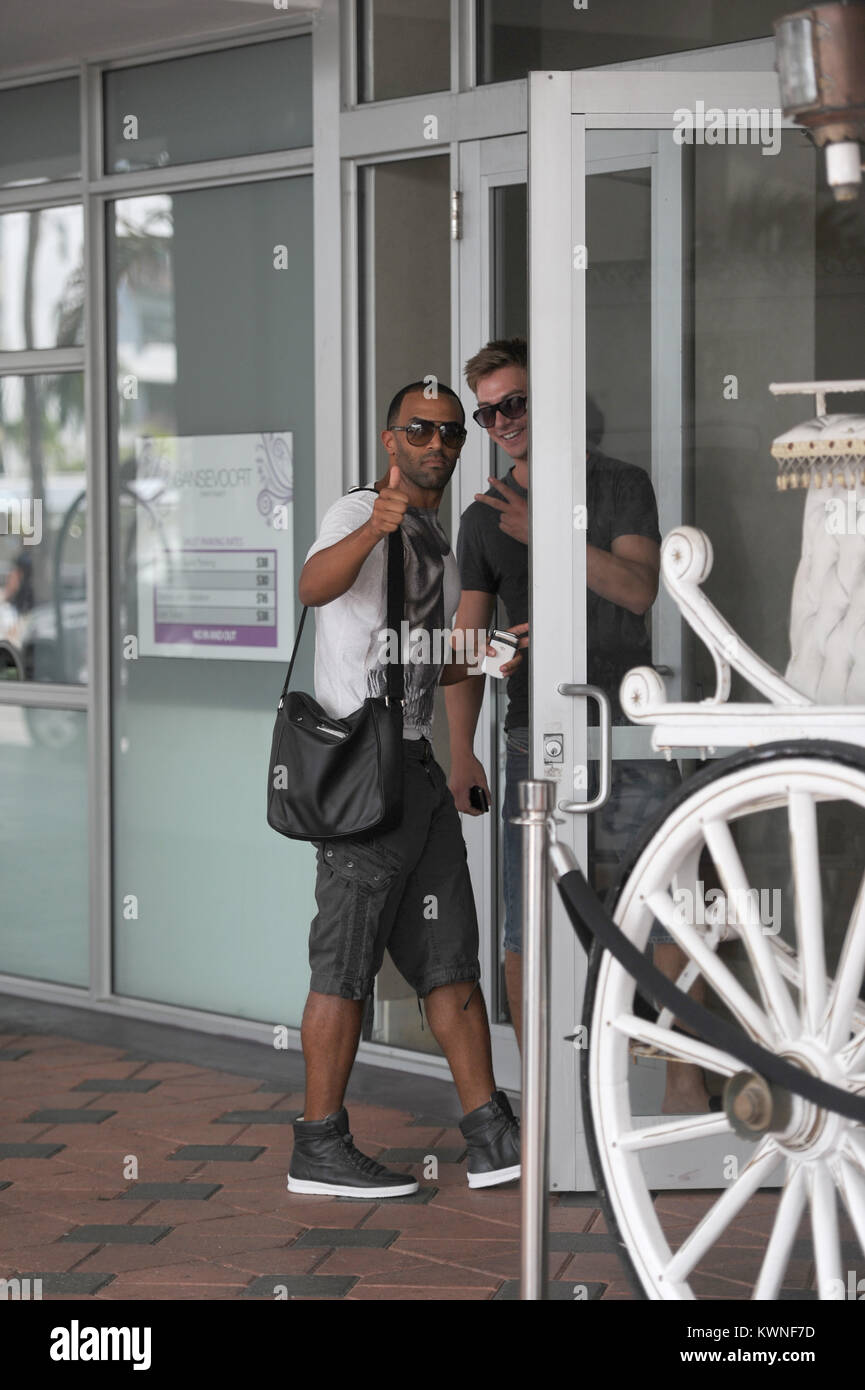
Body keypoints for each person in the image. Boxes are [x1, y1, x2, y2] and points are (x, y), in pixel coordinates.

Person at [446, 339, 706, 1113]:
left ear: (548, 398)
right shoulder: (483, 517)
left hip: (625, 726)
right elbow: (465, 649)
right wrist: (461, 746)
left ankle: (679, 1078)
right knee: (528, 927)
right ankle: (552, 1106)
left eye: (514, 403)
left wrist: (550, 535)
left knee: (665, 904)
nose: (502, 422)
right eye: (487, 412)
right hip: (536, 737)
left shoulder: (618, 485)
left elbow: (636, 590)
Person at [287, 380, 527, 1199]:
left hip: (415, 770)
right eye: (420, 429)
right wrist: (372, 531)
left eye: (451, 433)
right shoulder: (359, 512)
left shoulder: (435, 539)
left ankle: (491, 1134)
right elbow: (313, 587)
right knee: (344, 965)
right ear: (391, 441)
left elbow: (424, 661)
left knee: (450, 961)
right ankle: (318, 1145)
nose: (437, 443)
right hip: (362, 772)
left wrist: (491, 654)